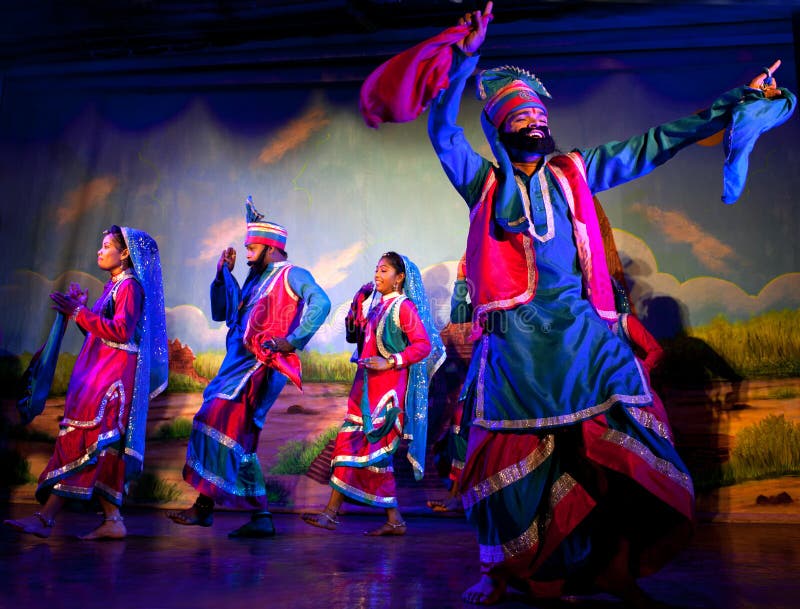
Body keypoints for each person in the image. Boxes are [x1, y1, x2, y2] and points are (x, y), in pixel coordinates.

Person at [362, 2, 795, 605]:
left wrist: (734, 102)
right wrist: (465, 61)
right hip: (515, 342)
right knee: (504, 469)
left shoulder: (574, 171)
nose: (535, 123)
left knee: (623, 452)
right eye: (521, 117)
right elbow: (442, 132)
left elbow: (655, 143)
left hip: (584, 337)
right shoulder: (484, 183)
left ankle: (617, 570)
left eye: (540, 116)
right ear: (502, 127)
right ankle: (502, 573)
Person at [167, 198, 330, 538]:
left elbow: (322, 301)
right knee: (242, 439)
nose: (246, 253)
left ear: (271, 248)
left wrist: (293, 339)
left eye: (252, 248)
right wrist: (223, 274)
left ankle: (204, 507)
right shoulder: (256, 281)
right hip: (236, 366)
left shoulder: (290, 274)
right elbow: (225, 314)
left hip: (257, 369)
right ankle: (261, 517)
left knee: (214, 418)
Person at [4, 225, 167, 540]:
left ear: (125, 253)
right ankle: (111, 519)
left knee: (92, 442)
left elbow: (120, 332)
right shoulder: (114, 286)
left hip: (111, 378)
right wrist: (78, 312)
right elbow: (102, 336)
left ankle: (47, 517)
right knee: (98, 446)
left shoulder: (130, 286)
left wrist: (79, 312)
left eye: (107, 245)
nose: (100, 251)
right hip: (99, 373)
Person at [301, 252, 444, 536]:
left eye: (384, 270)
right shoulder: (377, 307)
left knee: (374, 458)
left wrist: (390, 361)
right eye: (376, 270)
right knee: (352, 450)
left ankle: (355, 516)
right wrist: (357, 305)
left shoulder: (403, 308)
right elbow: (357, 338)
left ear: (399, 277)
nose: (377, 275)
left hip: (386, 395)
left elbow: (423, 346)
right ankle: (380, 518)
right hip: (364, 392)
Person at [428, 253, 470, 513]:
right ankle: (455, 495)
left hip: (496, 390)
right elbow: (459, 309)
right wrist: (461, 278)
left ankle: (461, 497)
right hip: (469, 394)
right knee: (456, 433)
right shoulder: (469, 315)